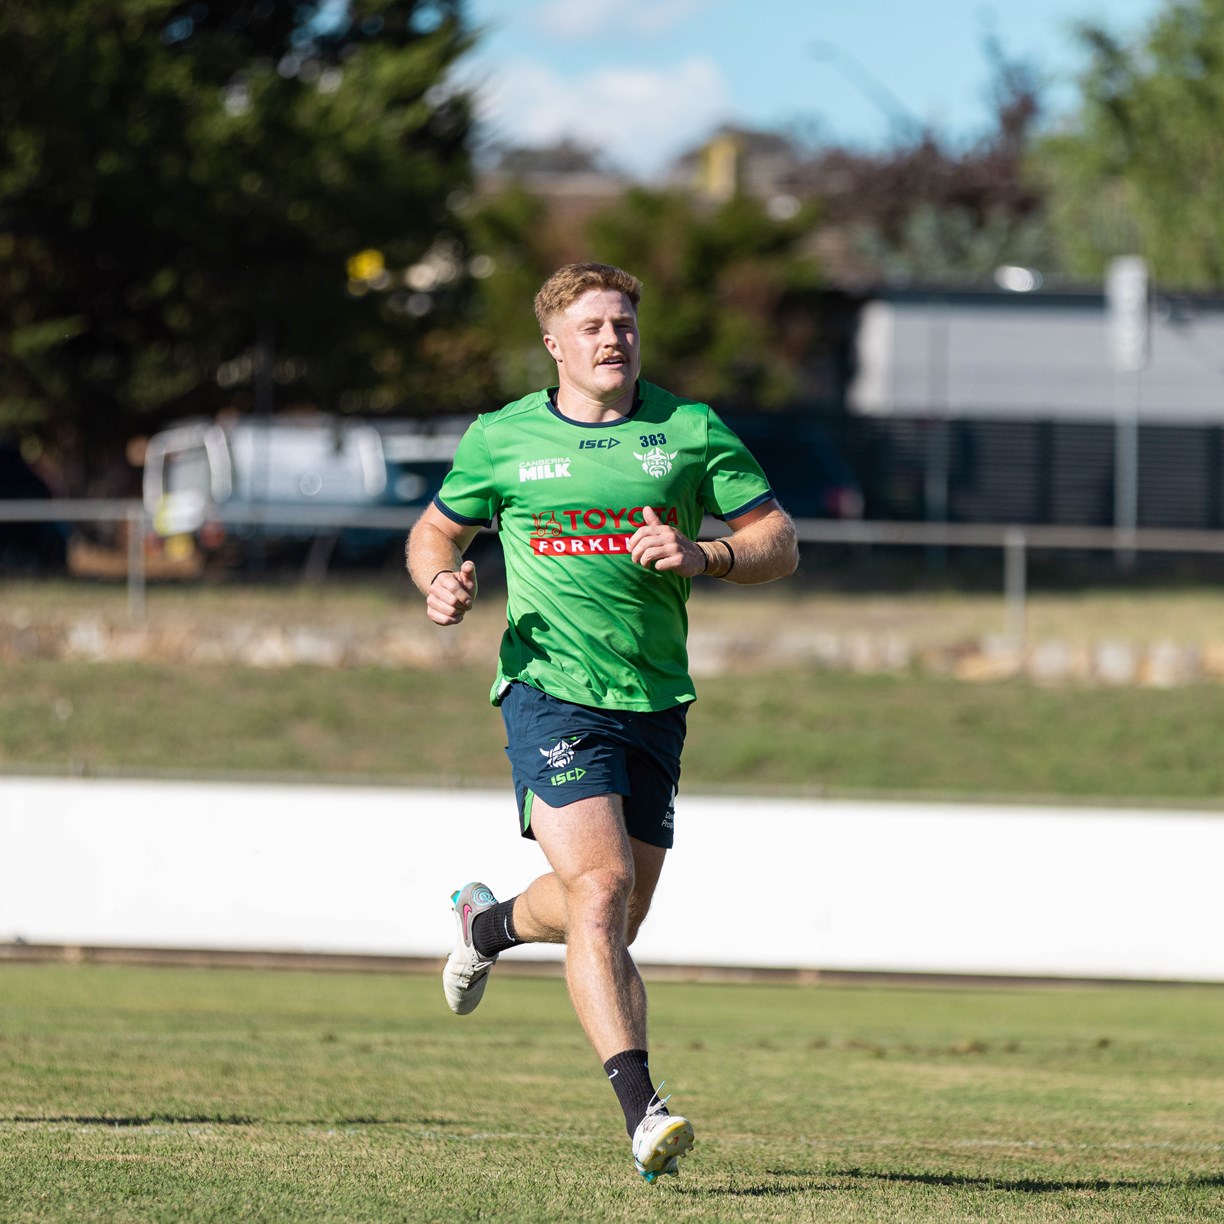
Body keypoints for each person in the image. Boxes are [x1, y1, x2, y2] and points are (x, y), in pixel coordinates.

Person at [406, 261, 798, 1183]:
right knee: (601, 887)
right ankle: (643, 1113)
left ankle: (487, 927)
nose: (612, 339)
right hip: (548, 690)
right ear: (554, 343)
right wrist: (441, 581)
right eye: (592, 327)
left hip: (654, 699)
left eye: (623, 324)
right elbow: (434, 531)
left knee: (619, 911)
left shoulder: (690, 429)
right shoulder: (502, 436)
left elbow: (778, 542)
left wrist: (704, 554)